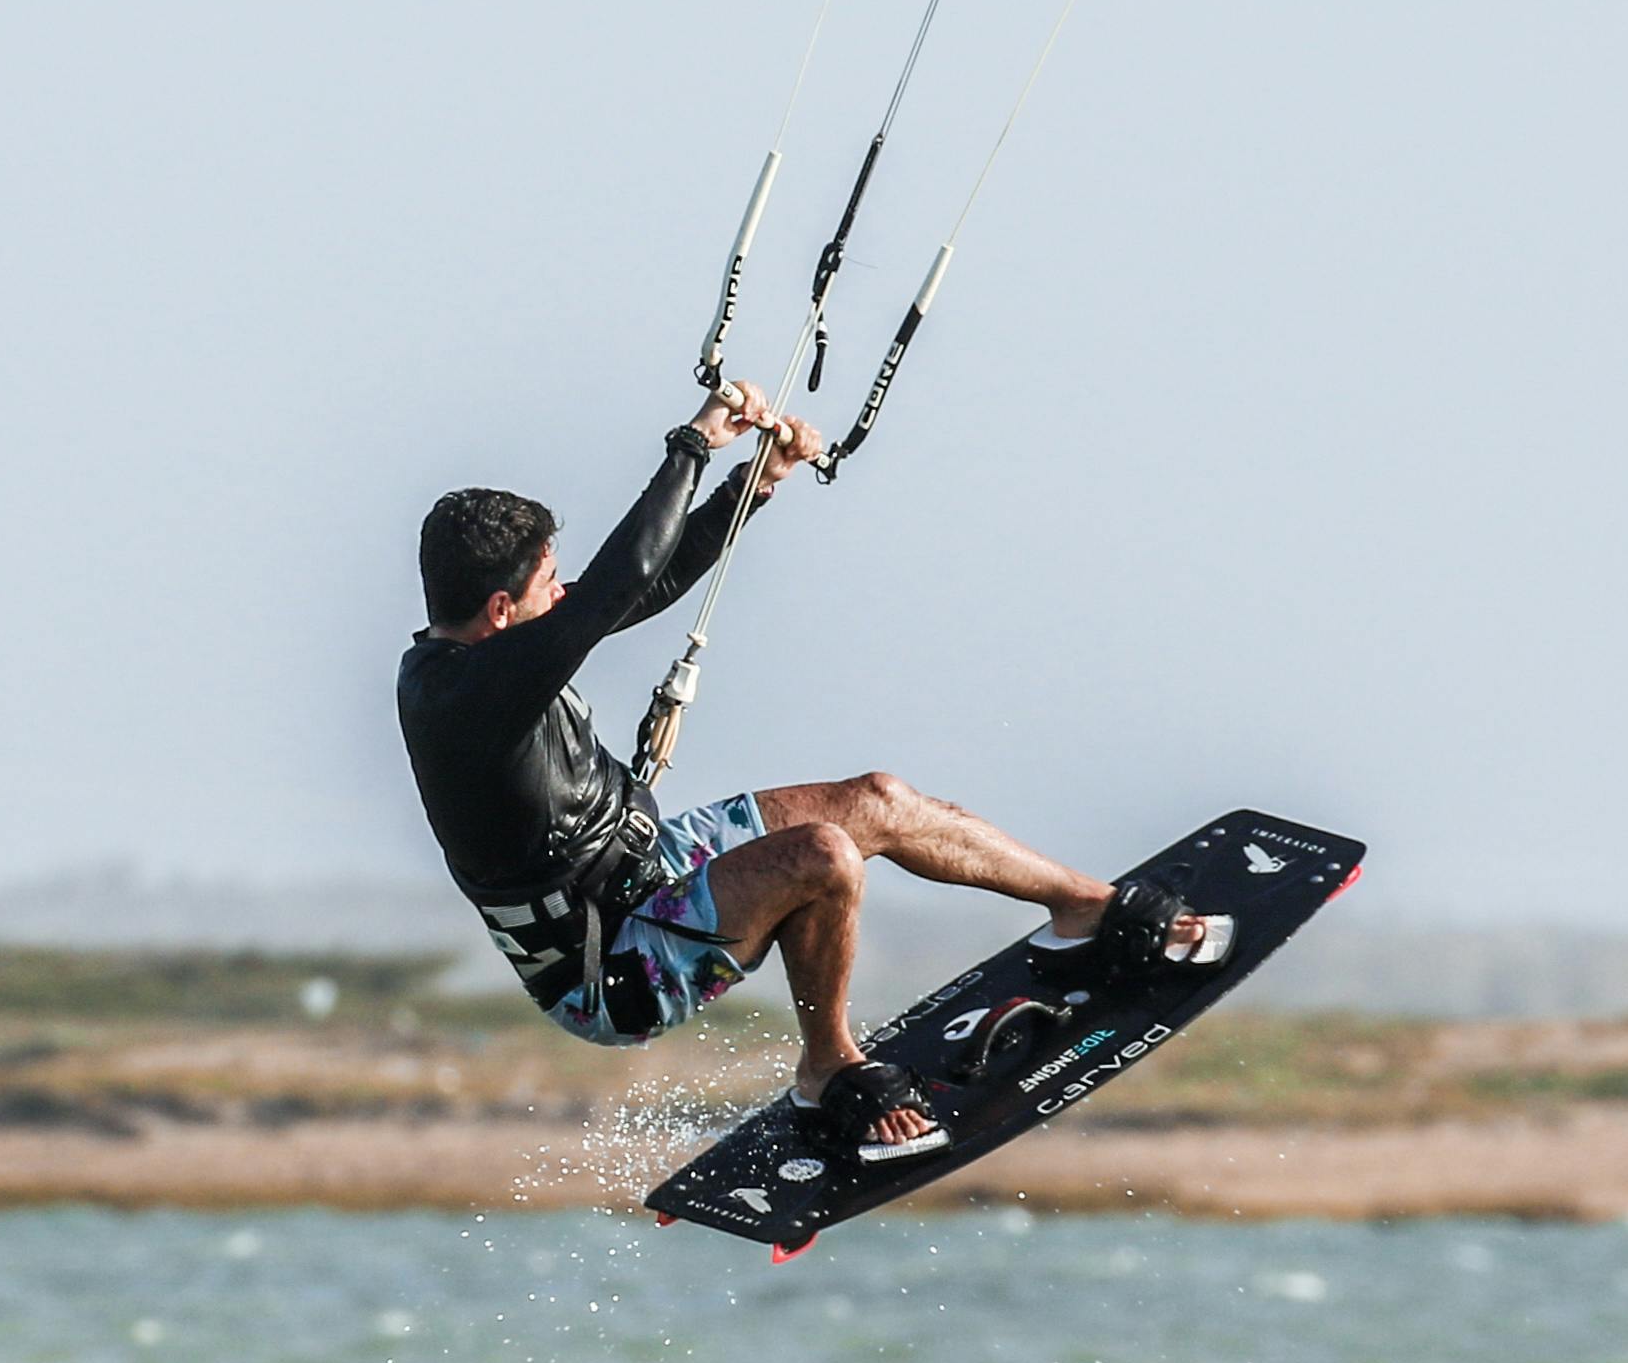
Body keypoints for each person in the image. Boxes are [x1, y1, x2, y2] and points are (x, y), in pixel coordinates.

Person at [398, 377, 1227, 1165]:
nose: (564, 594)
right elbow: (619, 585)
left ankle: (1085, 907)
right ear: (500, 611)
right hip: (612, 965)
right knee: (823, 857)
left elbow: (634, 592)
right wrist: (692, 445)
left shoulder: (494, 649)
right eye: (549, 584)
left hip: (650, 868)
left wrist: (750, 486)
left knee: (878, 800)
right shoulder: (466, 700)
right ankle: (826, 1067)